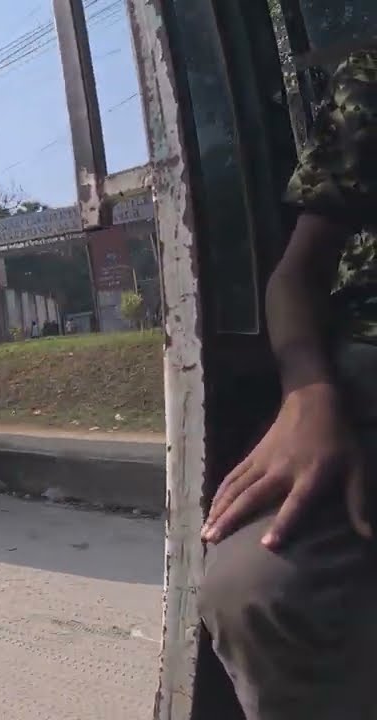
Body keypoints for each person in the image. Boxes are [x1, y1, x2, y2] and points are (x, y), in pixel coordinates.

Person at [196, 49, 377, 720]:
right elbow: (295, 275)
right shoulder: (370, 78)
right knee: (253, 587)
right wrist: (307, 395)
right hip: (360, 369)